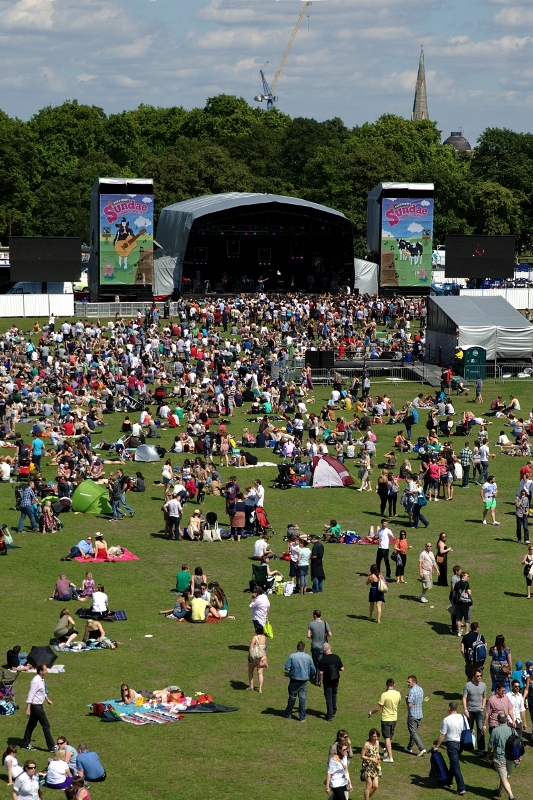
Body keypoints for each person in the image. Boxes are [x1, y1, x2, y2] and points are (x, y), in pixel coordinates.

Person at [432, 701, 466, 796]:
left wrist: (437, 746)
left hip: (452, 744)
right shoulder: (463, 717)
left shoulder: (447, 719)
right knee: (453, 763)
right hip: (461, 744)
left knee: (455, 766)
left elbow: (442, 734)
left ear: (449, 708)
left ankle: (461, 787)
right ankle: (448, 780)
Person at [22, 664, 55, 752]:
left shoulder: (41, 680)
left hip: (38, 706)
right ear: (40, 671)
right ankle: (51, 747)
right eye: (45, 670)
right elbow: (31, 694)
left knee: (31, 725)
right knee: (46, 725)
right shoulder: (36, 681)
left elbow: (42, 691)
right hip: (36, 707)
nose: (46, 671)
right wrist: (28, 709)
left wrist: (47, 699)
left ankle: (25, 744)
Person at [368, 677, 402, 763]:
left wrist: (371, 712)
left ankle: (390, 757)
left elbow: (378, 708)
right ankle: (386, 751)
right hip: (394, 718)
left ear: (387, 685)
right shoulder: (398, 693)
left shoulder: (384, 695)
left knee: (386, 737)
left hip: (386, 718)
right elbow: (399, 702)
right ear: (394, 685)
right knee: (390, 736)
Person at [283, 641, 315, 722]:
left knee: (292, 697)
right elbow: (313, 669)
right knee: (302, 698)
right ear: (304, 648)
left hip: (294, 680)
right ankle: (302, 717)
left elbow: (286, 667)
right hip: (304, 680)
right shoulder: (308, 657)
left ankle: (288, 713)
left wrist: (292, 670)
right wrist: (310, 677)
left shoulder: (292, 656)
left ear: (297, 647)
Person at [488, 713, 516, 800]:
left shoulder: (495, 731)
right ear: (507, 719)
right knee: (504, 776)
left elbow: (490, 745)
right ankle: (499, 791)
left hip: (500, 758)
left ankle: (511, 796)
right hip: (510, 757)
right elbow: (518, 743)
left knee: (504, 778)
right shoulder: (512, 730)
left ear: (498, 720)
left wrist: (489, 753)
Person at [462, 669, 487, 757]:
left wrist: (483, 707)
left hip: (480, 711)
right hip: (470, 710)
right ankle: (468, 745)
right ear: (473, 676)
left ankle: (481, 749)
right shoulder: (468, 685)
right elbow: (464, 698)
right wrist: (465, 710)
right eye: (478, 676)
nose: (479, 677)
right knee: (469, 729)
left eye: (480, 676)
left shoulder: (483, 685)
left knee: (480, 729)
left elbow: (484, 697)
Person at [318, 643, 344, 722]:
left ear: (324, 650)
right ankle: (334, 711)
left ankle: (329, 716)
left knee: (328, 697)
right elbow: (342, 668)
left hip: (327, 681)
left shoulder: (323, 660)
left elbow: (321, 673)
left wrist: (319, 681)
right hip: (336, 680)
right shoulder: (336, 657)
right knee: (334, 695)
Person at [307, 609, 332, 686]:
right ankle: (318, 679)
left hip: (314, 646)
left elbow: (308, 635)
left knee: (315, 663)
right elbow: (330, 634)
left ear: (315, 615)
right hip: (322, 647)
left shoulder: (311, 624)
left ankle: (314, 677)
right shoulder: (325, 623)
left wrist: (313, 636)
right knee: (320, 663)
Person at [404, 675, 426, 756]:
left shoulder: (412, 691)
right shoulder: (420, 689)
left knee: (413, 732)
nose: (407, 683)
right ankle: (409, 747)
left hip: (412, 715)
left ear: (414, 682)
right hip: (419, 714)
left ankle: (421, 748)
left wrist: (406, 698)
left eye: (409, 682)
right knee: (414, 732)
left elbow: (409, 704)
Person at [360, 729, 381, 800]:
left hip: (375, 767)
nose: (375, 738)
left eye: (376, 736)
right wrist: (371, 759)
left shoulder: (377, 742)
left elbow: (377, 752)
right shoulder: (366, 744)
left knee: (375, 786)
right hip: (367, 767)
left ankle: (366, 798)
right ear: (370, 736)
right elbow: (362, 756)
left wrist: (378, 756)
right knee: (369, 786)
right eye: (374, 736)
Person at [247, 623, 267, 693]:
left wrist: (249, 656)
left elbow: (251, 648)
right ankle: (260, 689)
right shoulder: (264, 637)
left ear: (256, 630)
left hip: (254, 657)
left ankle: (251, 686)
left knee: (250, 671)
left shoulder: (254, 637)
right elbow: (263, 647)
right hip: (261, 657)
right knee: (260, 673)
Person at [453, 571, 472, 637]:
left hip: (458, 603)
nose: (468, 578)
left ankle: (459, 632)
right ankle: (466, 632)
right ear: (463, 577)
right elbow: (469, 592)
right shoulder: (466, 584)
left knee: (458, 618)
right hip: (466, 603)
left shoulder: (457, 584)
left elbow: (454, 594)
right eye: (467, 576)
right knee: (467, 619)